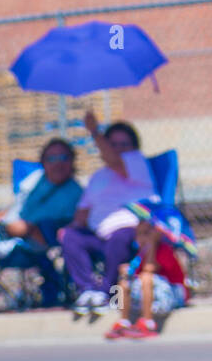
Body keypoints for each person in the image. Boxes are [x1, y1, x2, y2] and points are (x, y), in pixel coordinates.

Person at [0, 138, 81, 340]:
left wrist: (25, 229)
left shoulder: (74, 193)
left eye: (63, 157)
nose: (58, 162)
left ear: (72, 161)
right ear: (43, 161)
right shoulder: (34, 181)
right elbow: (11, 214)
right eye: (52, 158)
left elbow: (58, 229)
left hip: (35, 246)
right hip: (5, 234)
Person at [59, 114, 154, 312]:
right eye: (113, 144)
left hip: (130, 232)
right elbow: (82, 214)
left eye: (123, 144)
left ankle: (109, 294)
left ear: (134, 147)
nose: (117, 149)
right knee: (69, 236)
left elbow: (115, 161)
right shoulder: (98, 177)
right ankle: (88, 292)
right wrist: (69, 230)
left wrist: (94, 131)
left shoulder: (137, 163)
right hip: (98, 235)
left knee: (118, 238)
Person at [104, 222, 189, 340]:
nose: (142, 238)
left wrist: (151, 245)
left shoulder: (164, 249)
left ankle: (148, 323)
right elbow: (134, 273)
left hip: (173, 295)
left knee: (146, 277)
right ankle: (124, 322)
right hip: (153, 296)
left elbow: (150, 268)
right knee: (124, 280)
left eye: (146, 234)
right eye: (139, 234)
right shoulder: (139, 253)